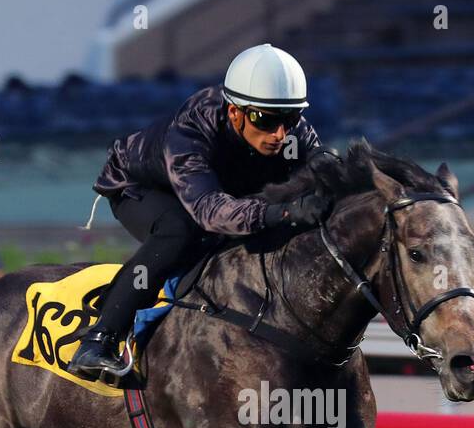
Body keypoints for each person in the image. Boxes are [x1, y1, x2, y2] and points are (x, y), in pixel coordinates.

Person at [70, 43, 332, 376]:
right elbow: (210, 211)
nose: (279, 134)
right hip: (141, 187)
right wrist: (283, 213)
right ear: (235, 111)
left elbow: (327, 169)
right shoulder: (192, 129)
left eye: (290, 119)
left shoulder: (294, 132)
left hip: (216, 190)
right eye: (265, 120)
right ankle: (99, 339)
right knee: (181, 231)